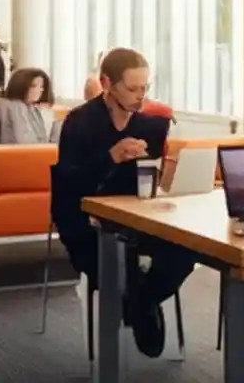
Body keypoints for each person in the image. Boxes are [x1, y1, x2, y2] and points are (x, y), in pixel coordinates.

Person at [51, 47, 193, 358]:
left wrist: (168, 174)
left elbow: (149, 183)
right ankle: (138, 302)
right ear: (106, 83)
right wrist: (111, 157)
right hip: (84, 220)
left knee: (184, 251)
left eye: (145, 88)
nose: (140, 96)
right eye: (132, 89)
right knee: (114, 266)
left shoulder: (151, 126)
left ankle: (144, 299)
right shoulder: (79, 122)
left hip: (139, 216)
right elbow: (68, 184)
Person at [0, 67, 53, 144]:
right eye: (34, 86)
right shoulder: (2, 105)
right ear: (21, 85)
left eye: (41, 87)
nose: (40, 90)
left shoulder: (35, 110)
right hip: (8, 154)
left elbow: (42, 140)